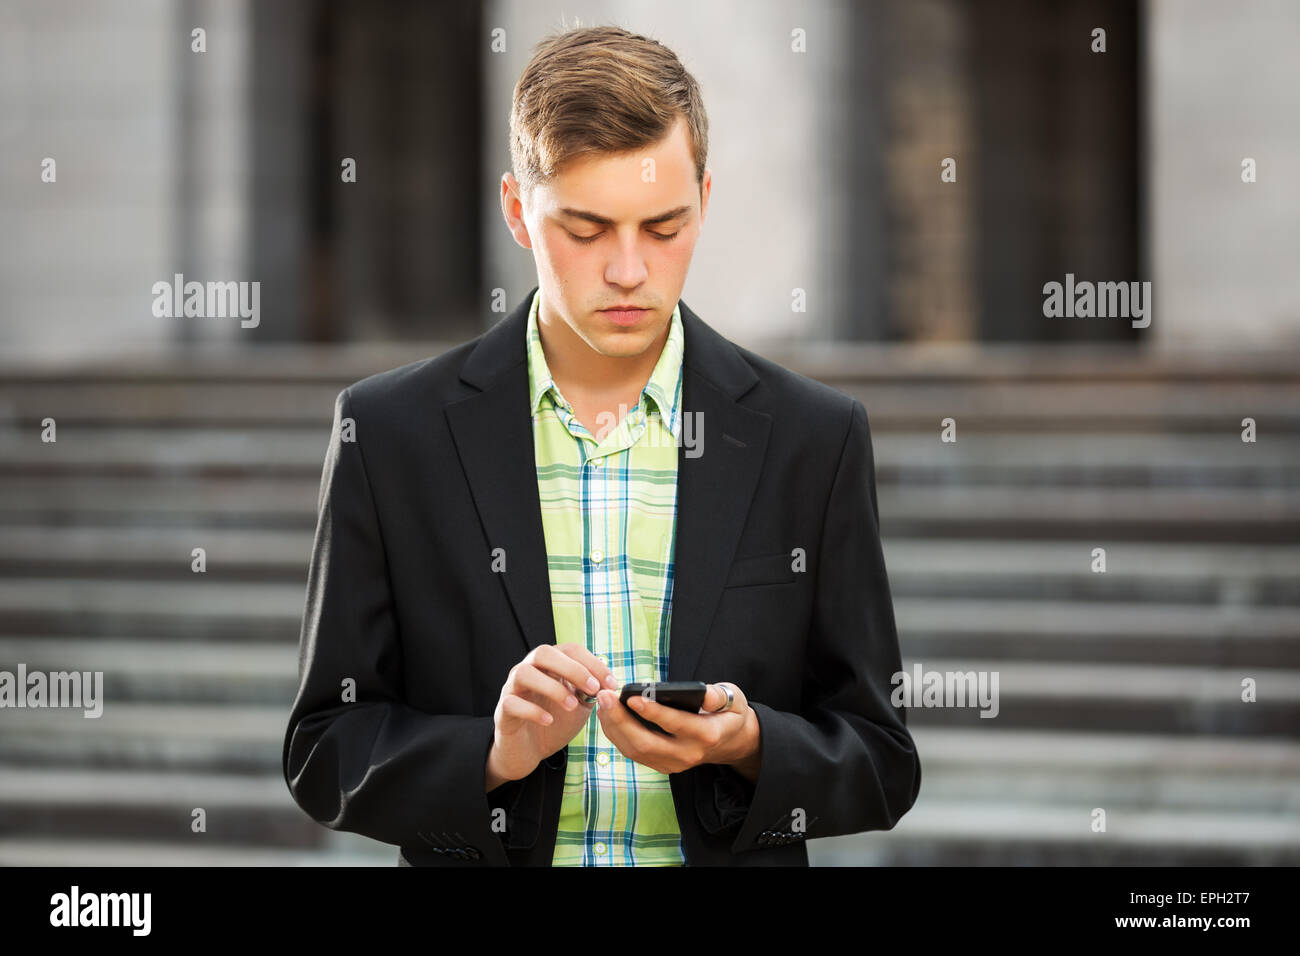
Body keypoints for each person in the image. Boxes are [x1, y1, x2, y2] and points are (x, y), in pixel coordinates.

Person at [283, 23, 920, 866]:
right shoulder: (390, 433)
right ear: (517, 210)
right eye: (586, 230)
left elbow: (881, 758)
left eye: (664, 227)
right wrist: (492, 752)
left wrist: (749, 742)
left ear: (705, 199)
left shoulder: (813, 436)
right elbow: (324, 747)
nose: (628, 271)